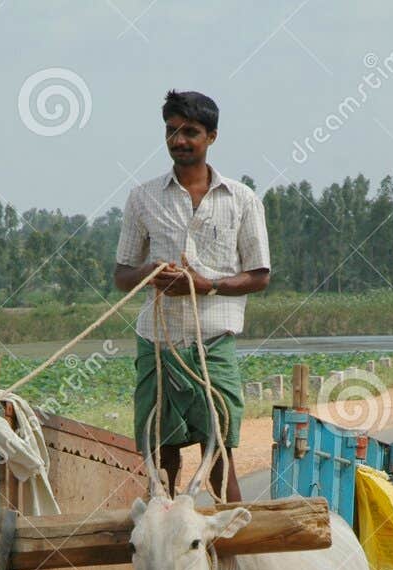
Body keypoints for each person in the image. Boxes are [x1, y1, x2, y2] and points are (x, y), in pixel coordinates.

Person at [113, 90, 270, 502]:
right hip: (158, 343)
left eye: (190, 132)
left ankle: (234, 552)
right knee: (160, 457)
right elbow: (121, 274)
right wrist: (148, 273)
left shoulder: (242, 199)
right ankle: (166, 543)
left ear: (211, 137)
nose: (179, 140)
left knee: (219, 452)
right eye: (171, 131)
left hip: (213, 343)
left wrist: (207, 285)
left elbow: (258, 275)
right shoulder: (142, 197)